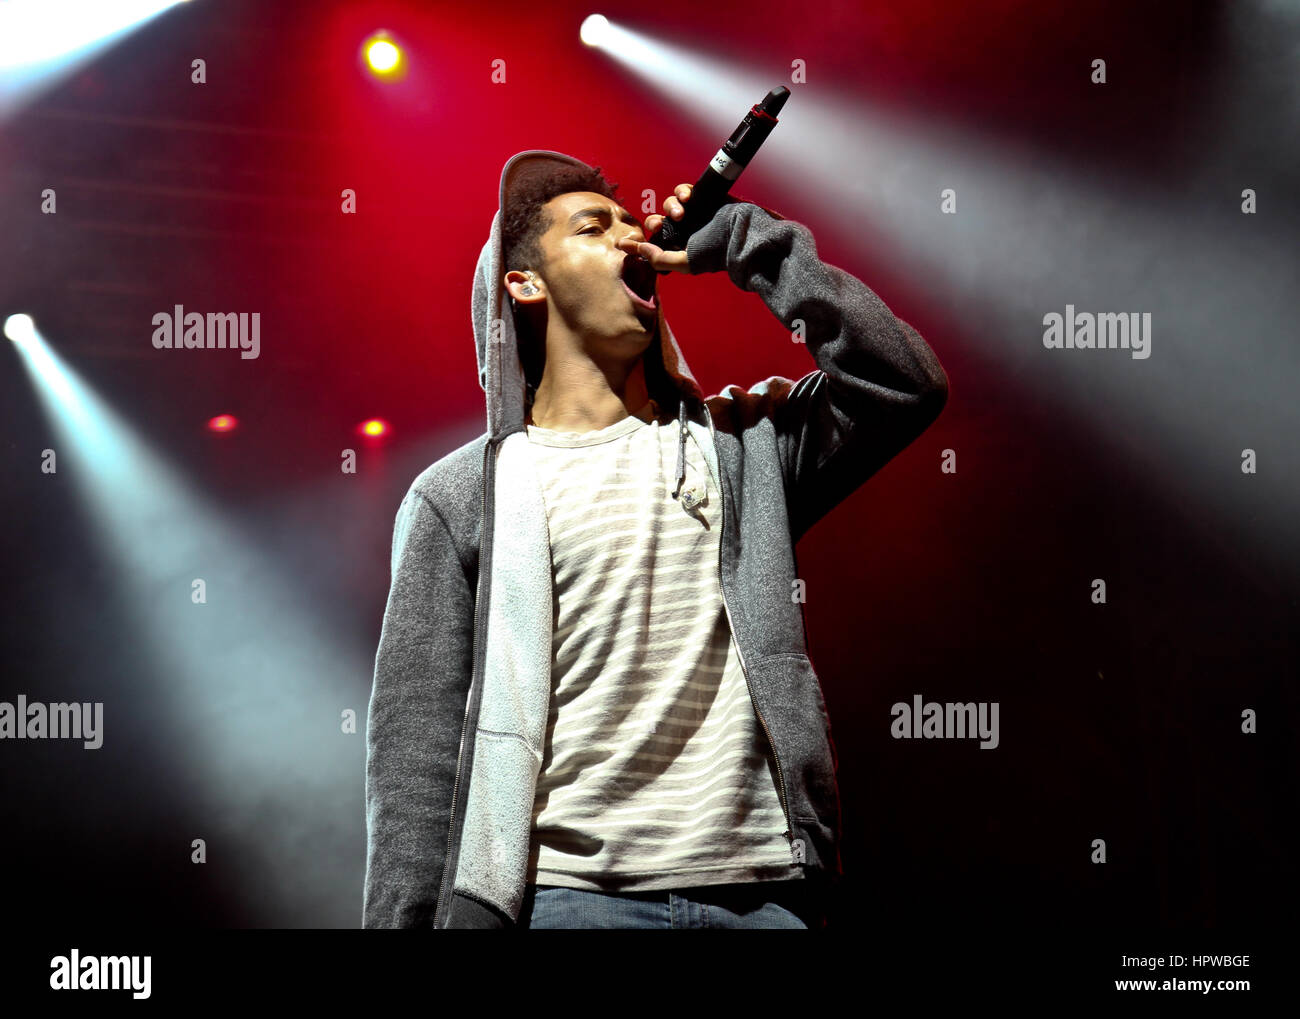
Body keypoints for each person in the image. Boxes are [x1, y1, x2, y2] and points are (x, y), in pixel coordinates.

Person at [363, 149, 949, 929]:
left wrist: (749, 242)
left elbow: (904, 383)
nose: (632, 241)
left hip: (764, 898)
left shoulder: (744, 447)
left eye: (636, 227)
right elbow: (414, 753)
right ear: (524, 282)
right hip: (568, 902)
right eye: (595, 227)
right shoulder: (466, 494)